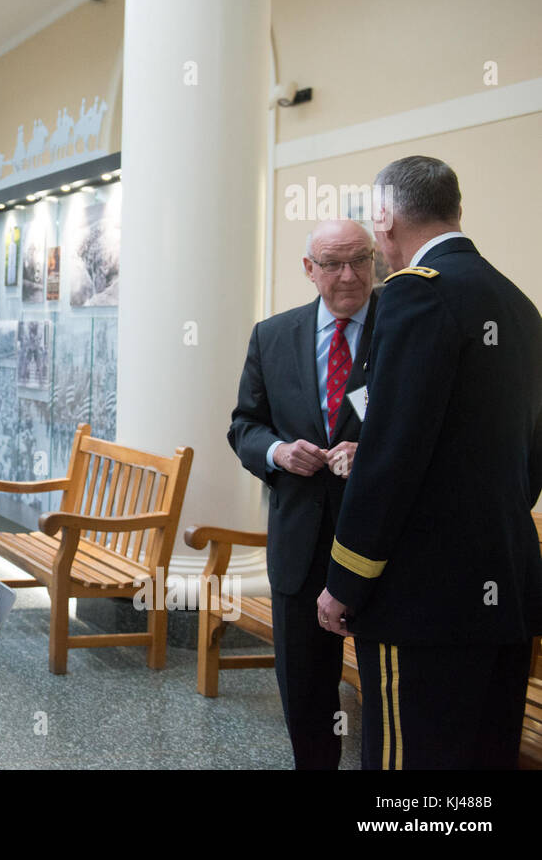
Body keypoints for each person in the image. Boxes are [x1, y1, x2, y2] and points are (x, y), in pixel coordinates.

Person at [318, 156, 542, 769]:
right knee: (480, 763)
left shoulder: (415, 295)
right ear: (456, 210)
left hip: (421, 597)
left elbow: (392, 456)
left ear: (384, 219)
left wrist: (346, 581)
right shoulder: (520, 306)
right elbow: (521, 454)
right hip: (507, 583)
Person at [227, 217, 378, 768]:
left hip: (380, 547)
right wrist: (278, 453)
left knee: (384, 695)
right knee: (307, 695)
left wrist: (373, 454)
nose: (349, 275)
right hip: (300, 545)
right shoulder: (273, 335)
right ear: (308, 270)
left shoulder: (402, 328)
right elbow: (244, 425)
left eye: (360, 259)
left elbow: (427, 428)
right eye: (333, 263)